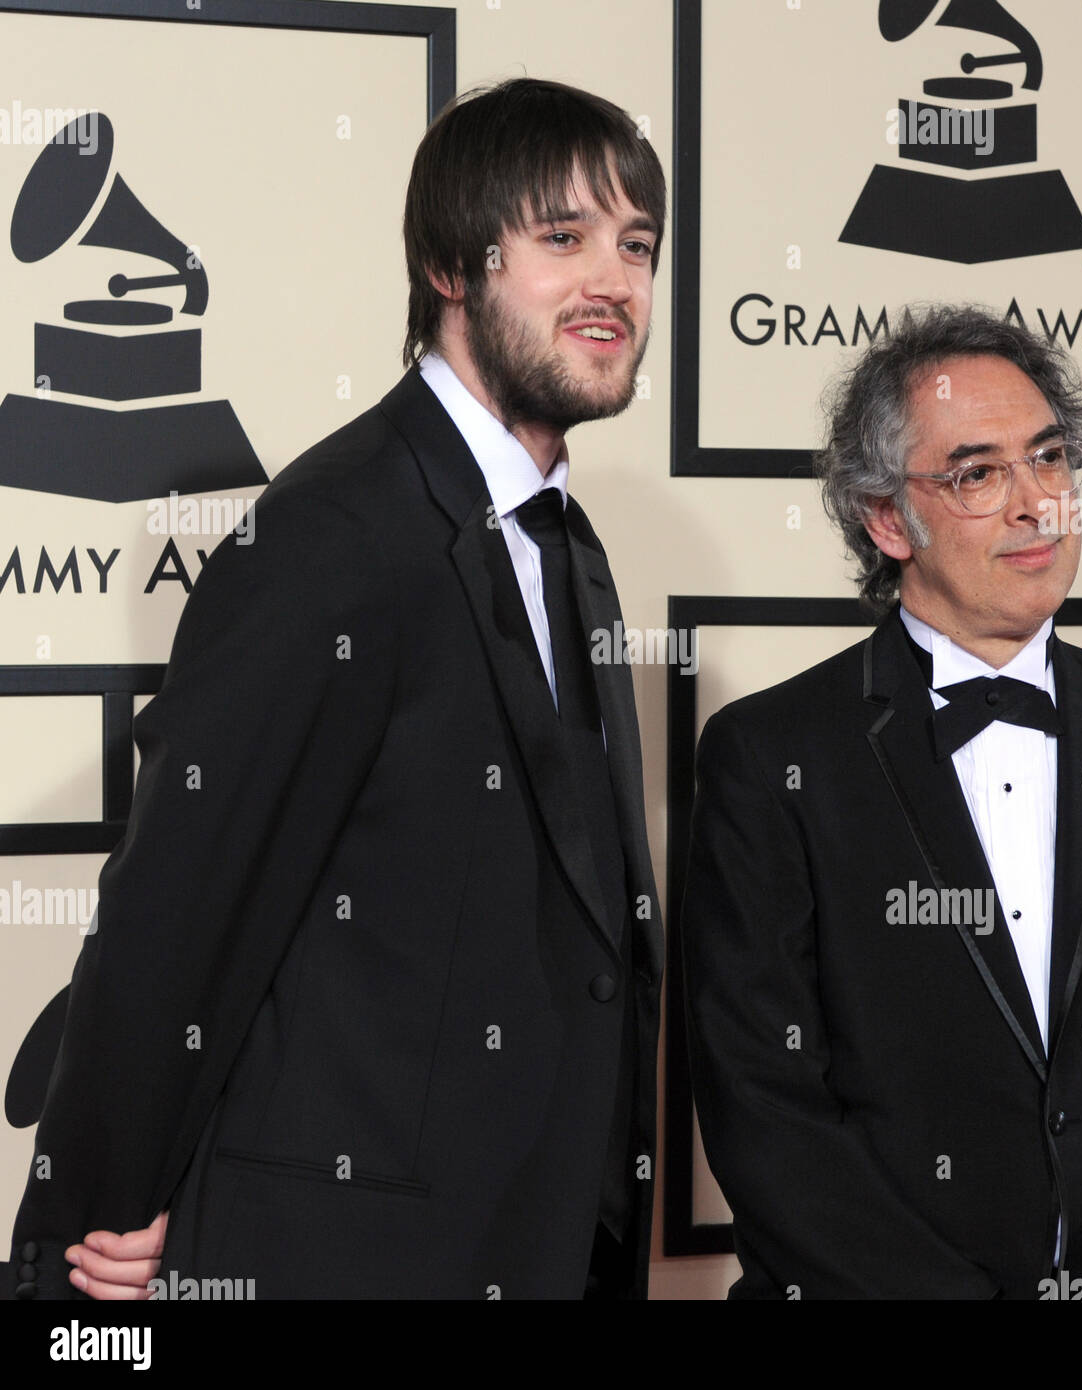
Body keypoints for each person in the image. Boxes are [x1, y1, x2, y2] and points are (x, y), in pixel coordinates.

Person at [8, 77, 666, 1301]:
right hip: (349, 1255)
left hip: (538, 1240)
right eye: (563, 238)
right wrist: (86, 1225)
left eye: (637, 246)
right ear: (447, 268)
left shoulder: (569, 549)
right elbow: (183, 899)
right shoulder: (335, 533)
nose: (615, 285)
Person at [681, 303, 1082, 1300]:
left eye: (1050, 460)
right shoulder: (772, 756)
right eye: (977, 473)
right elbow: (766, 1106)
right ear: (887, 518)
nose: (1036, 504)